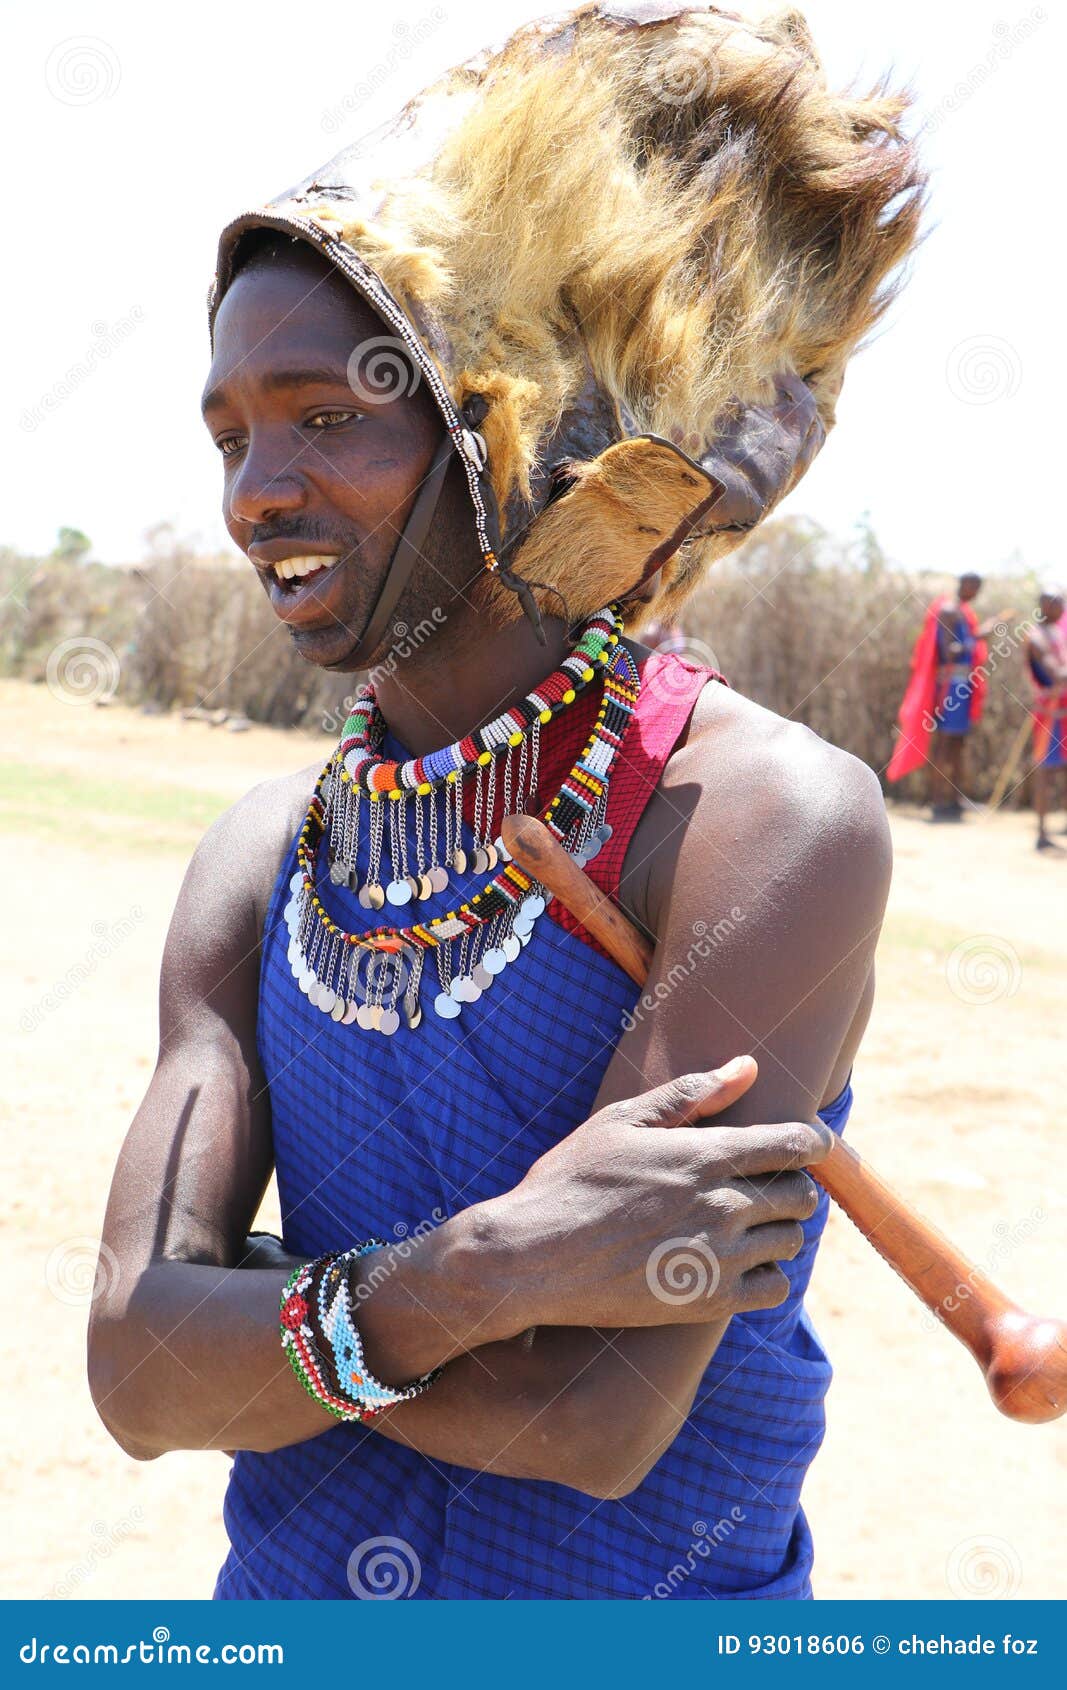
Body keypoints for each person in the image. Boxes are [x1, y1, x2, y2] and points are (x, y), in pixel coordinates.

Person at [87, 3, 921, 1600]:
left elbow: (593, 1416)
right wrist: (486, 1266)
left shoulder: (756, 821)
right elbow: (135, 1374)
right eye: (230, 435)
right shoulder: (263, 862)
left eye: (327, 415)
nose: (256, 491)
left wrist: (271, 1317)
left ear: (496, 424)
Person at [887, 573, 1013, 816]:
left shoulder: (963, 612)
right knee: (945, 744)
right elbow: (950, 651)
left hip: (963, 685)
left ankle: (954, 799)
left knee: (958, 743)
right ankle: (937, 800)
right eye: (973, 587)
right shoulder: (947, 611)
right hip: (950, 687)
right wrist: (979, 636)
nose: (975, 593)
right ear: (964, 585)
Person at [1025, 587, 1067, 850]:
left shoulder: (1057, 633)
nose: (1063, 608)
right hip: (1049, 715)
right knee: (1045, 772)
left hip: (1064, 711)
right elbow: (1056, 675)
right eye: (1059, 603)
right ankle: (1041, 832)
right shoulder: (1036, 637)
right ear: (1046, 606)